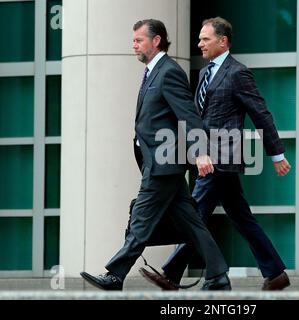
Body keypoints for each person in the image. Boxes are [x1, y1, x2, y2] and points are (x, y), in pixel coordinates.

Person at [139, 17, 291, 291]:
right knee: (239, 216)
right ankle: (275, 273)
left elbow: (261, 113)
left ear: (223, 41)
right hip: (210, 156)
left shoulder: (237, 73)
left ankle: (174, 273)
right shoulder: (206, 73)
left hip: (222, 157)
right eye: (199, 39)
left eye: (205, 39)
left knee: (193, 213)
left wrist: (276, 154)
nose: (199, 44)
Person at [80, 19, 231, 291]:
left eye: (139, 40)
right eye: (134, 40)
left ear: (156, 40)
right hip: (158, 162)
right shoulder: (153, 72)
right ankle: (218, 275)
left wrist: (200, 152)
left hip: (165, 162)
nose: (134, 45)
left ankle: (115, 275)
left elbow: (188, 114)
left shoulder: (168, 71)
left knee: (141, 219)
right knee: (191, 223)